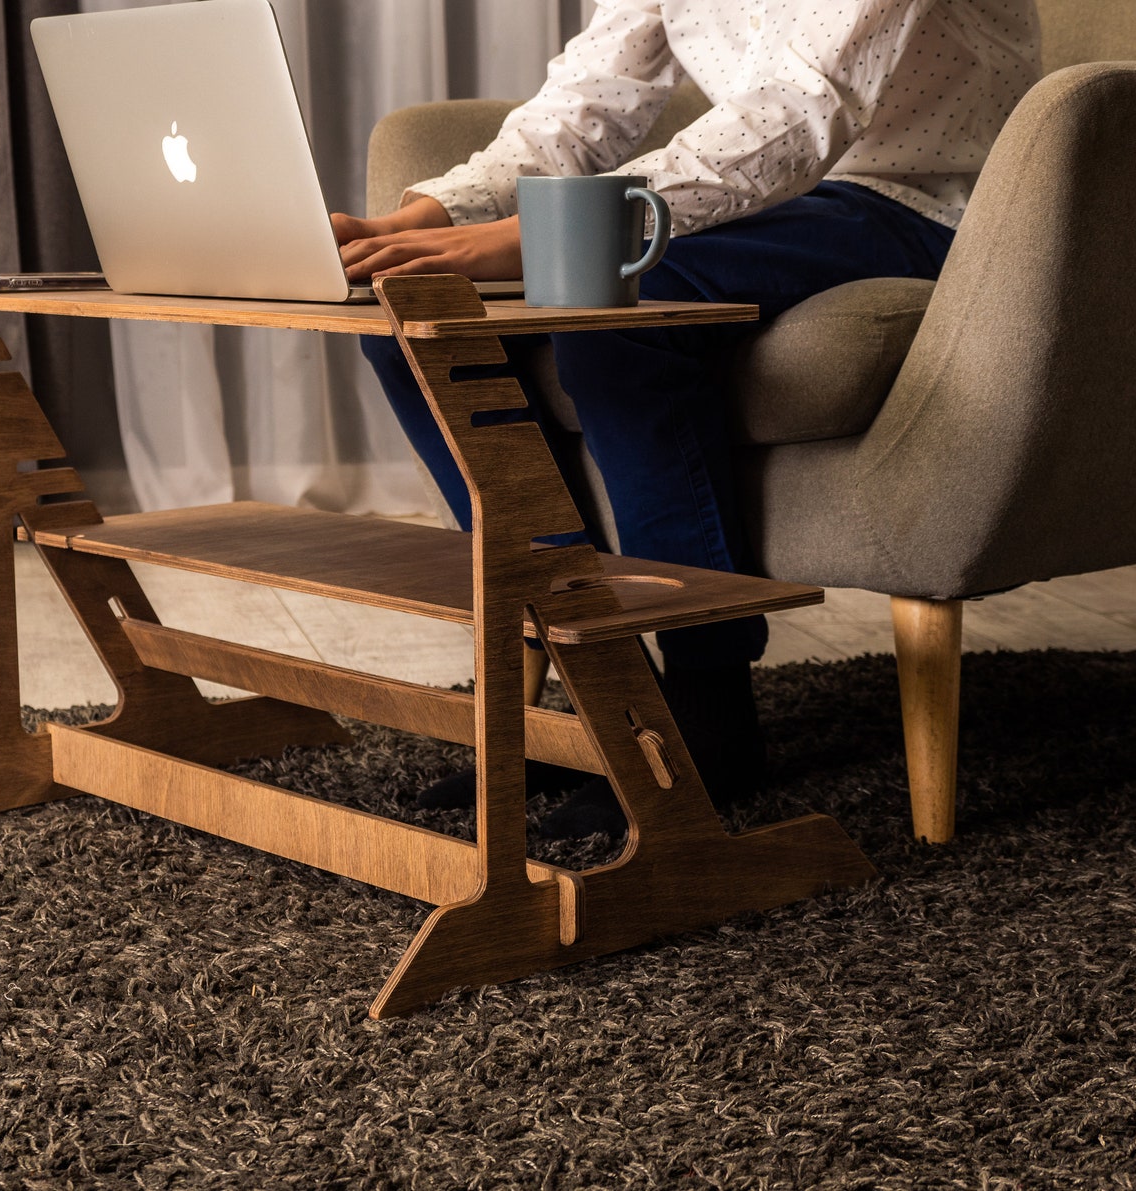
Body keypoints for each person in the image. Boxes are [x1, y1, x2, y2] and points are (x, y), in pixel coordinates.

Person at [332, 0, 1040, 836]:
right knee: (406, 327)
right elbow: (585, 104)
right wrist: (425, 222)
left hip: (920, 206)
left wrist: (536, 237)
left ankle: (709, 714)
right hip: (779, 200)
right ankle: (606, 691)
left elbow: (799, 111)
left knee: (622, 322)